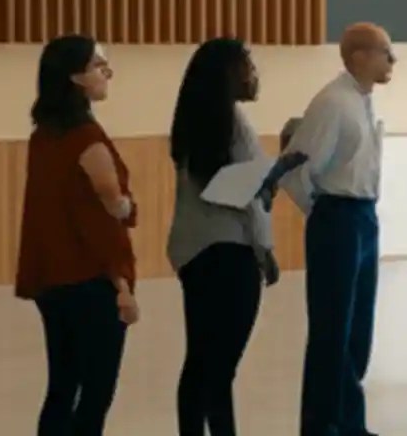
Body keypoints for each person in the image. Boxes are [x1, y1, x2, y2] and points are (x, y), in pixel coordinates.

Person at [167, 38, 295, 436]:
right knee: (221, 369)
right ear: (228, 74)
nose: (254, 74)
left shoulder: (193, 120)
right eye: (247, 66)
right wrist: (265, 248)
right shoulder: (233, 122)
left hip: (193, 250)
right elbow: (243, 197)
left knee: (200, 362)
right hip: (231, 251)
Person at [15, 35, 139, 436]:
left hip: (53, 277)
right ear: (76, 78)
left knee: (62, 387)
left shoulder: (44, 136)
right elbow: (106, 214)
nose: (107, 73)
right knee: (95, 393)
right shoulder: (87, 139)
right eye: (98, 66)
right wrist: (121, 284)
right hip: (91, 279)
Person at [280, 23, 394, 436]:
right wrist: (321, 212)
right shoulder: (332, 102)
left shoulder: (361, 101)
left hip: (363, 217)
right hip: (338, 218)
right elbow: (295, 168)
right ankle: (323, 425)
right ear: (359, 56)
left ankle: (348, 423)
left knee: (358, 330)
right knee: (333, 329)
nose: (392, 60)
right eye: (385, 52)